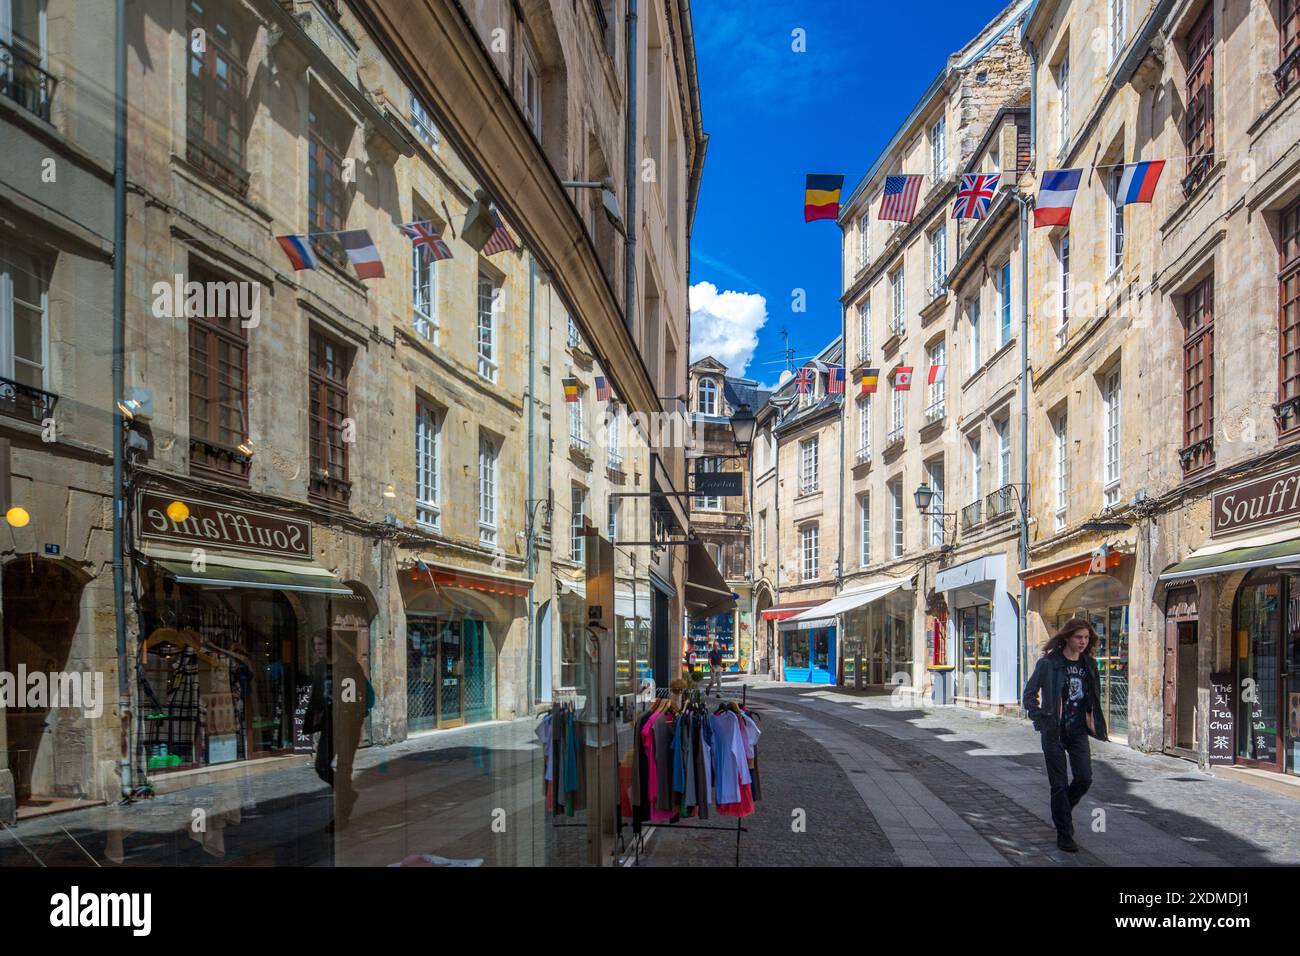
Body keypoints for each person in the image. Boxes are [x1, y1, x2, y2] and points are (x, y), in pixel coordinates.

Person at [1021, 617, 1109, 853]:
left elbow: (1093, 696)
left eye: (1087, 638)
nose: (1083, 642)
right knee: (1059, 785)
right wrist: (1041, 720)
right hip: (1054, 732)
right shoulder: (1049, 664)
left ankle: (1062, 810)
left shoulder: (1089, 664)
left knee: (1084, 778)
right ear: (1067, 637)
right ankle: (1065, 834)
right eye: (1079, 637)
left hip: (1078, 731)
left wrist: (1094, 721)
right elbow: (1029, 695)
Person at [303, 629, 370, 832]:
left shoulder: (349, 666)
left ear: (331, 644)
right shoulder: (320, 668)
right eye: (315, 645)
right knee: (322, 765)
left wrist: (353, 722)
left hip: (348, 725)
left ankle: (341, 818)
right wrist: (308, 724)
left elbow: (358, 699)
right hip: (329, 724)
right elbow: (316, 697)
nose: (317, 648)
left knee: (343, 771)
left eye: (321, 644)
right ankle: (347, 793)